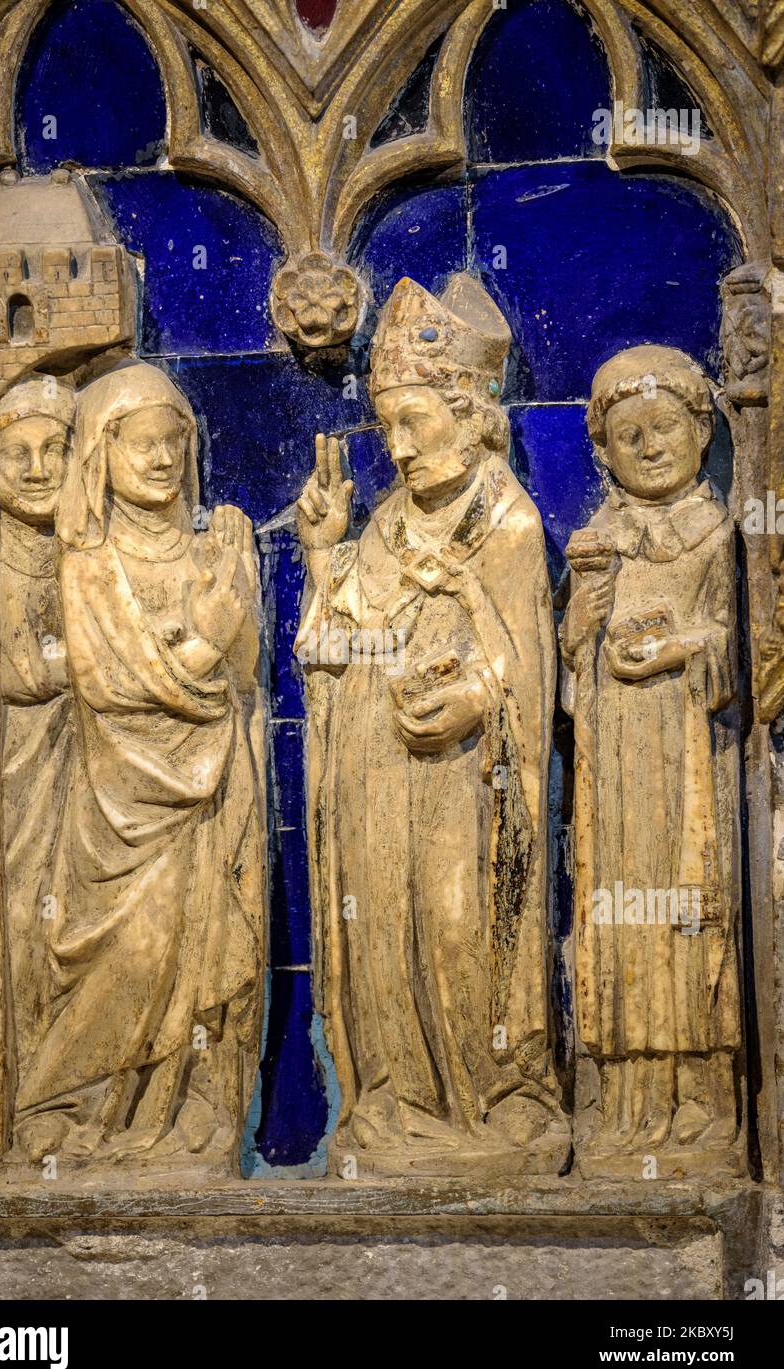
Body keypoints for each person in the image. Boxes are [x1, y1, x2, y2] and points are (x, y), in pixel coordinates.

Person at [295, 275, 567, 1174]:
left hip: (468, 784)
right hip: (381, 774)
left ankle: (495, 1101)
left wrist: (474, 696)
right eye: (386, 429)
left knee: (457, 927)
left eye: (414, 423)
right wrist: (324, 551)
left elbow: (528, 669)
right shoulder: (379, 527)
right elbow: (334, 649)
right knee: (385, 929)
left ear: (470, 410)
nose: (397, 448)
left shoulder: (511, 523)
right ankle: (397, 1096)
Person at [15, 362, 266, 1167]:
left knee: (200, 960)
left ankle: (186, 1117)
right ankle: (81, 1112)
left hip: (211, 801)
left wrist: (232, 611)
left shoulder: (216, 550)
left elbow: (247, 679)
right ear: (101, 457)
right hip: (118, 811)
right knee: (127, 954)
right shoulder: (86, 564)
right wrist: (204, 638)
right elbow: (110, 688)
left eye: (172, 444)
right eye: (140, 446)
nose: (159, 460)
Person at [560, 345, 743, 1173]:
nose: (650, 446)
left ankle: (699, 1103)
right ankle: (627, 1108)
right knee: (619, 929)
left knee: (687, 920)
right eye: (628, 435)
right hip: (614, 773)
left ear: (700, 429)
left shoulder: (719, 532)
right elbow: (566, 674)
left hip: (689, 767)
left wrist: (680, 648)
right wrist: (578, 633)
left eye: (665, 425)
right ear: (602, 450)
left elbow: (741, 653)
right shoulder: (596, 544)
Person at [0, 376, 75, 1077]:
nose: (39, 470)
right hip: (21, 767)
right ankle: (31, 1064)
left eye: (55, 449)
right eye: (16, 454)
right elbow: (25, 673)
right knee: (27, 914)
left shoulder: (93, 543)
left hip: (100, 768)